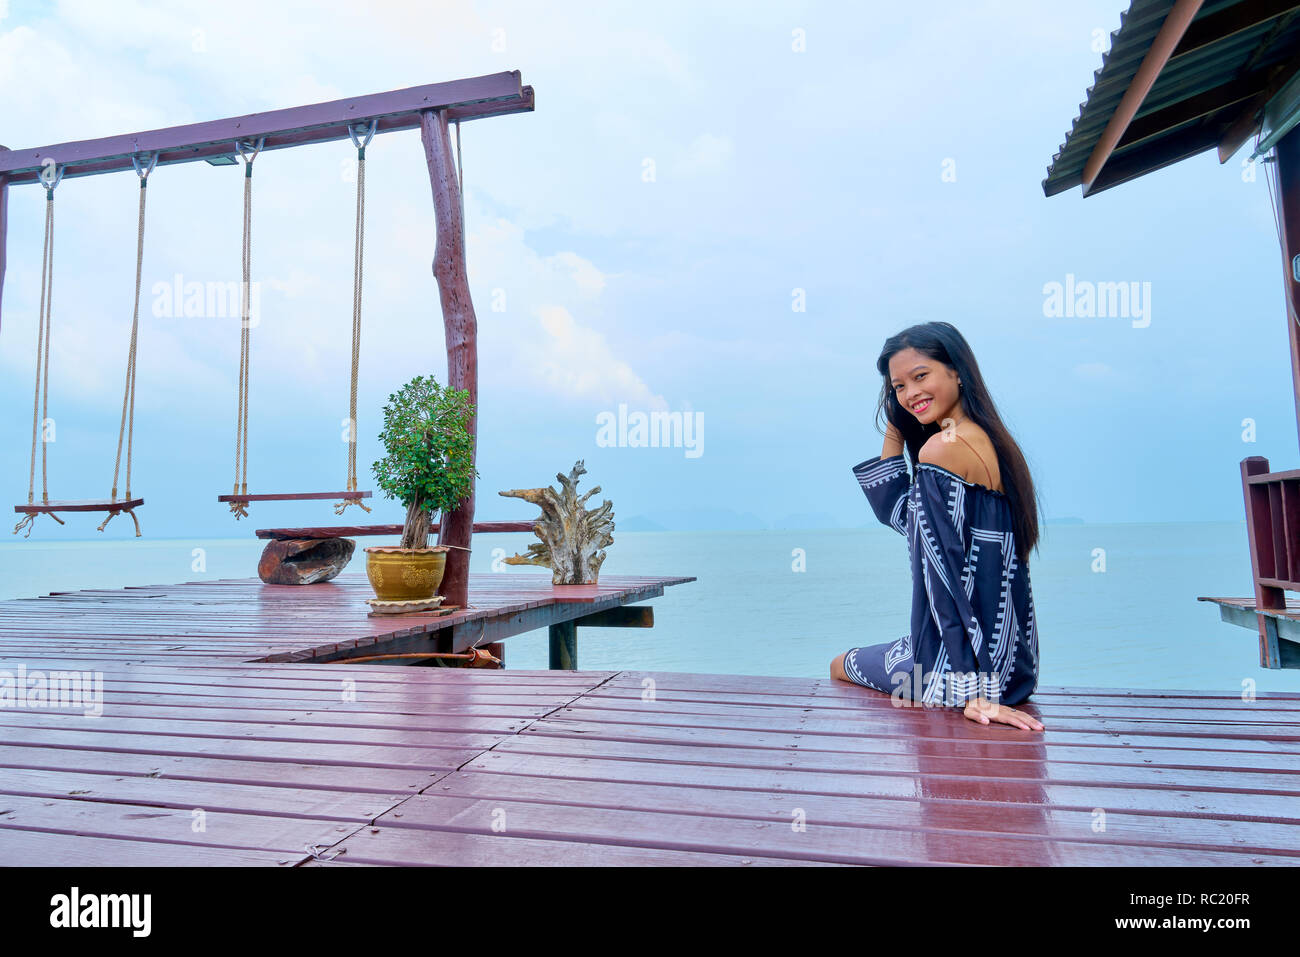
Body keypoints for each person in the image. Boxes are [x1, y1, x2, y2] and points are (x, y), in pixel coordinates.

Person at [830, 321, 1045, 731]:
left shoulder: (940, 449)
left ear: (957, 371)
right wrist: (898, 423)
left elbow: (943, 578)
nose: (911, 394)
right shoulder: (990, 440)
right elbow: (907, 519)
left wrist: (972, 691)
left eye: (920, 376)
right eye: (898, 387)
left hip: (952, 670)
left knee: (840, 664)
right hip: (1013, 667)